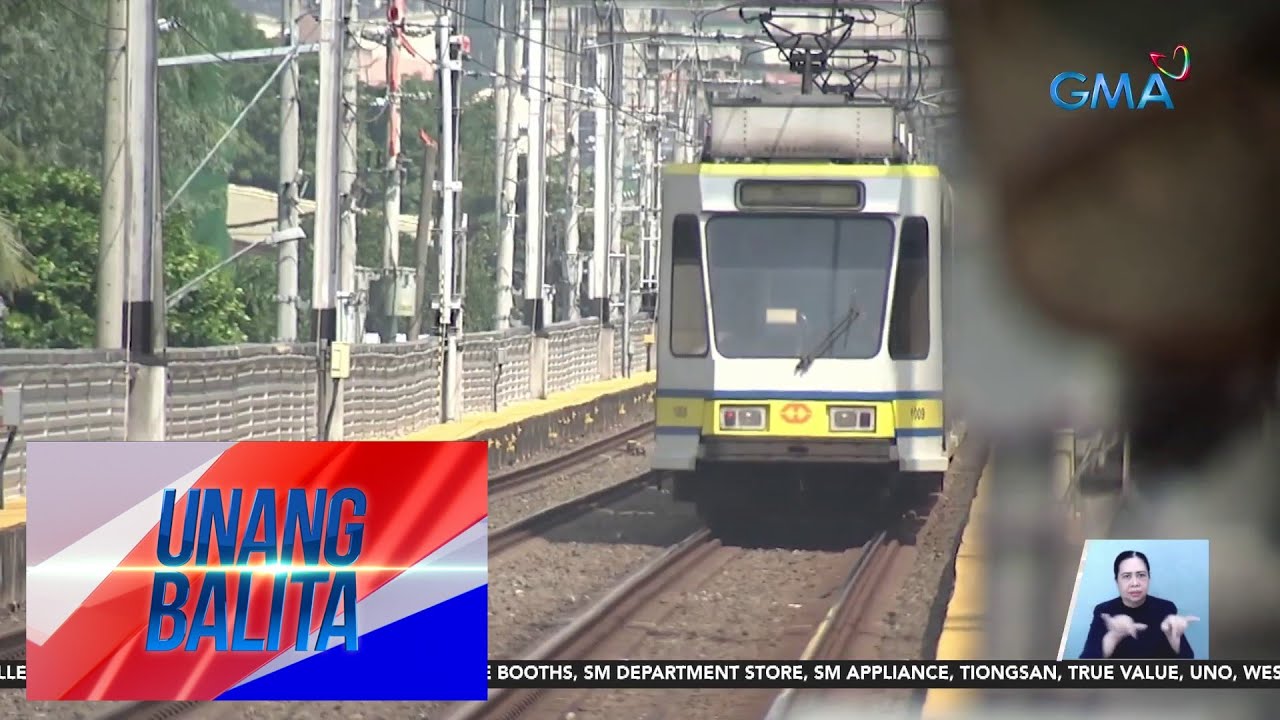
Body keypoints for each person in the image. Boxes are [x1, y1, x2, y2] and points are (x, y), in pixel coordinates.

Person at [1079, 550, 1198, 659]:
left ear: (1149, 577)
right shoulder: (1104, 612)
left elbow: (1189, 660)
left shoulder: (1165, 608)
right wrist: (1112, 638)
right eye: (1126, 576)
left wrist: (1176, 643)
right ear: (1117, 581)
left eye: (1141, 575)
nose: (1135, 583)